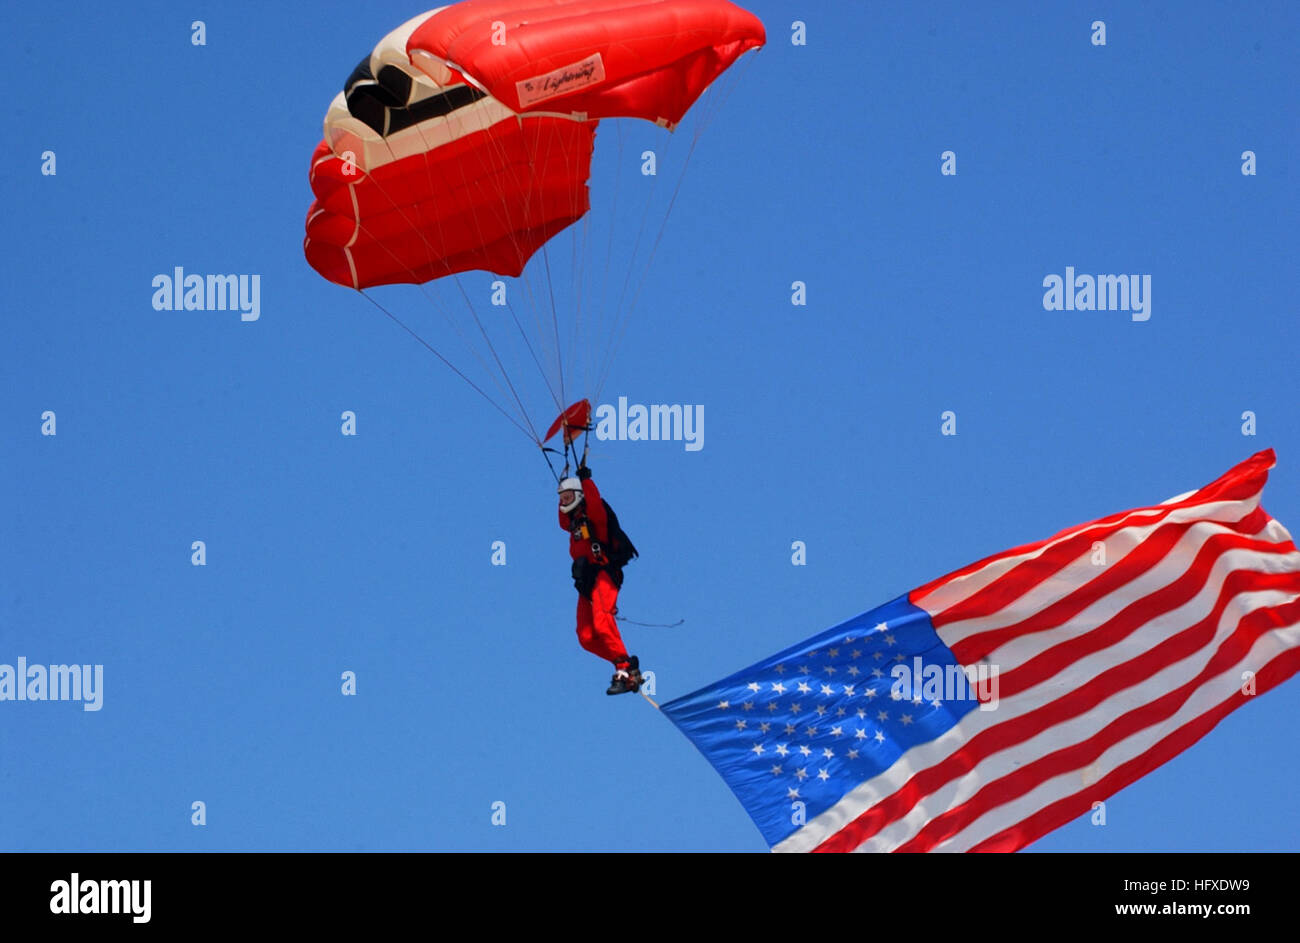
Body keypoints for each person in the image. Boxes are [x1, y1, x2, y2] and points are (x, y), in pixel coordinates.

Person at [557, 464, 642, 695]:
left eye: (568, 497)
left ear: (580, 496)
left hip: (605, 573)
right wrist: (563, 480)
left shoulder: (594, 517)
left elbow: (594, 503)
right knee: (585, 637)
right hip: (585, 582)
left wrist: (586, 481)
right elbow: (562, 520)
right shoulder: (572, 523)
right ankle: (620, 662)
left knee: (602, 620)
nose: (564, 501)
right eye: (562, 499)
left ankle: (625, 667)